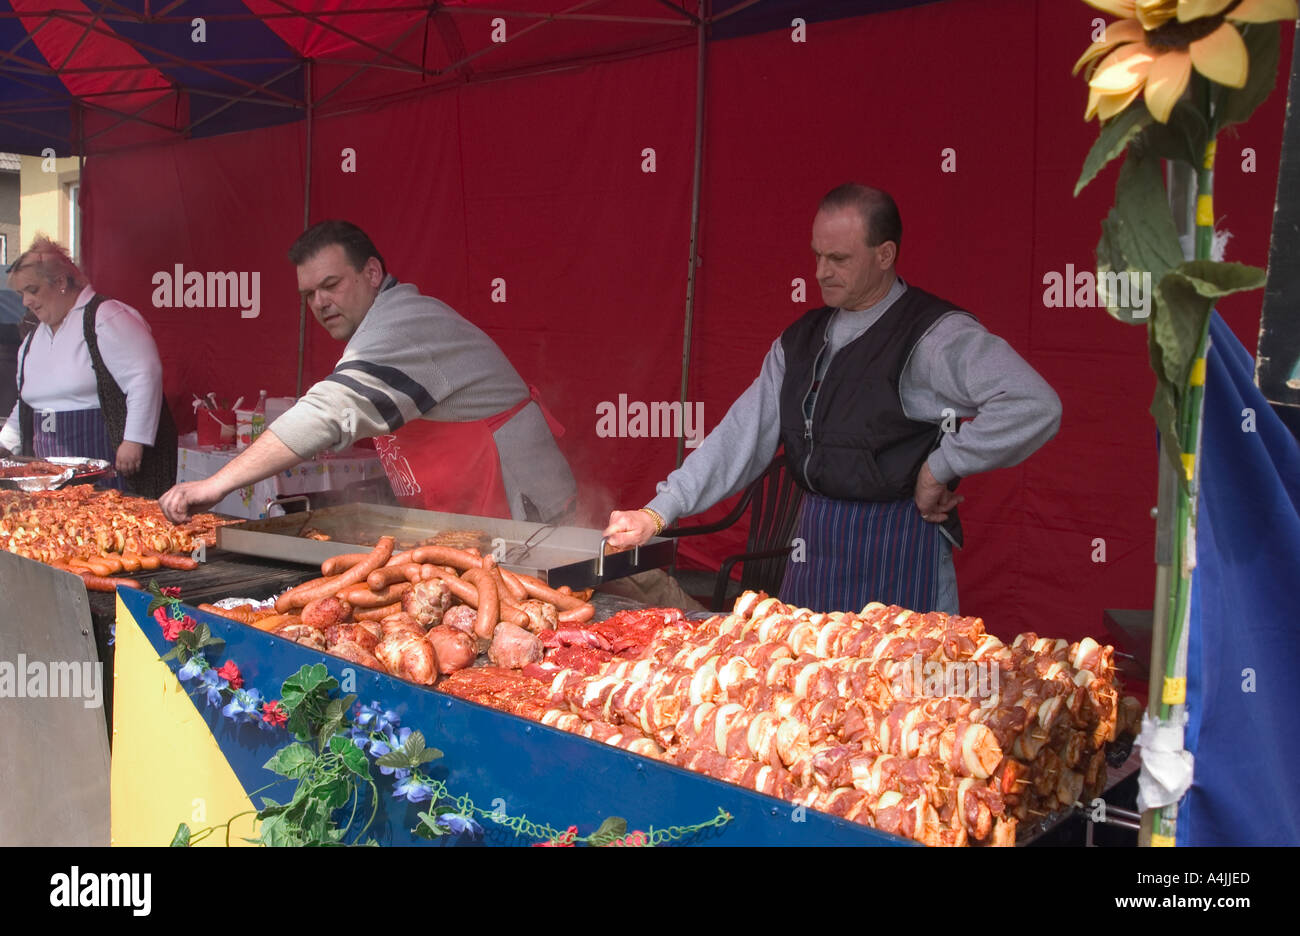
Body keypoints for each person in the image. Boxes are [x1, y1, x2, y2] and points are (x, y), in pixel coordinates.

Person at [603, 183, 1062, 615]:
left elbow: (1031, 403)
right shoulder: (798, 342)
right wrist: (657, 513)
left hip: (898, 552)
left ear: (885, 255)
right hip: (814, 549)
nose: (822, 271)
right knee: (807, 691)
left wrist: (940, 466)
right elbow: (740, 436)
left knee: (902, 693)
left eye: (839, 258)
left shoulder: (933, 336)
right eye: (817, 255)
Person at [160, 220, 576, 523]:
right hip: (468, 521)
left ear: (372, 273)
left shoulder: (405, 325)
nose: (320, 303)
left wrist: (216, 484)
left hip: (527, 517)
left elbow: (329, 412)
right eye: (309, 294)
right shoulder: (378, 328)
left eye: (331, 284)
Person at [0, 235, 177, 496]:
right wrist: (5, 443)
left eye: (32, 290)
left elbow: (144, 375)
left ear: (60, 282)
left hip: (109, 457)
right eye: (21, 293)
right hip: (49, 468)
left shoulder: (106, 316)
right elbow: (25, 401)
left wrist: (134, 440)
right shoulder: (33, 340)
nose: (25, 301)